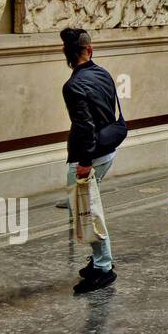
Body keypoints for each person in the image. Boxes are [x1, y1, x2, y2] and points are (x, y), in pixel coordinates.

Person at [60, 28, 123, 294]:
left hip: (88, 156)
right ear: (90, 50)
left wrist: (84, 161)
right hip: (108, 149)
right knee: (87, 208)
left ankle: (104, 267)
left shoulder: (73, 86)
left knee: (86, 210)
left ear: (66, 54)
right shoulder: (104, 73)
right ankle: (99, 261)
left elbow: (84, 125)